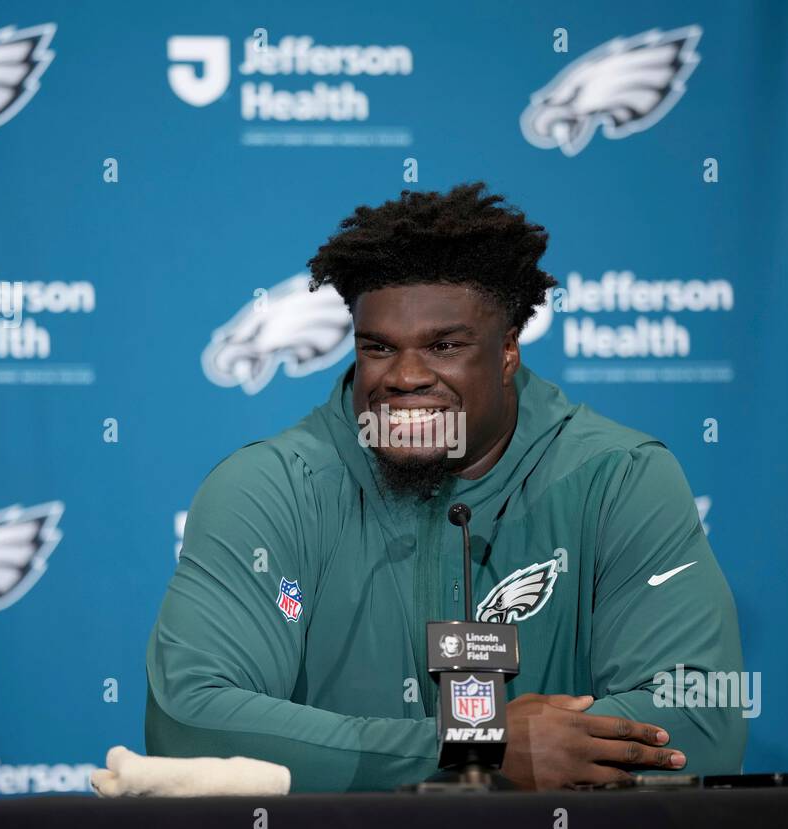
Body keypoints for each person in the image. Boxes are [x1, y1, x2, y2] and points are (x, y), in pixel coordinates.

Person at [146, 182, 746, 791]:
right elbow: (189, 724)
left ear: (508, 350)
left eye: (445, 346)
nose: (405, 376)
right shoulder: (268, 488)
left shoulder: (620, 478)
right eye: (378, 348)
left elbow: (699, 722)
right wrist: (473, 749)